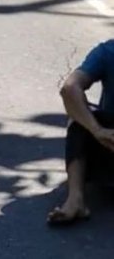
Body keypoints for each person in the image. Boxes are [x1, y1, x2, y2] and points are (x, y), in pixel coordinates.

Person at [48, 40, 114, 226]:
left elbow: (70, 89)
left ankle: (75, 199)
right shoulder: (107, 52)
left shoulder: (108, 51)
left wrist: (97, 130)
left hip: (107, 147)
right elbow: (69, 89)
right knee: (81, 117)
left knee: (80, 118)